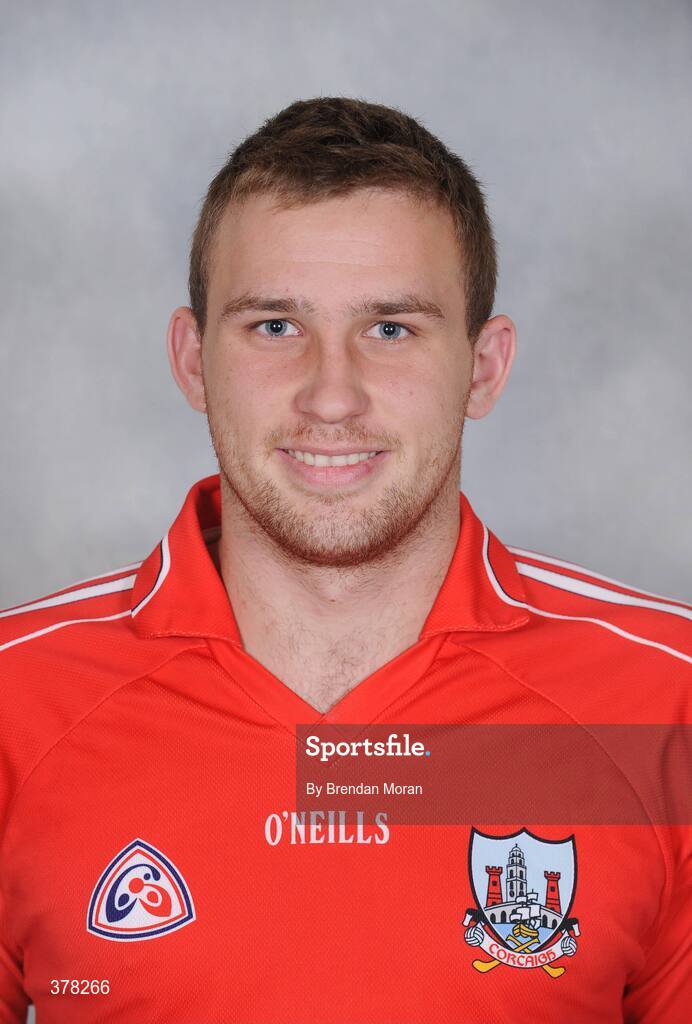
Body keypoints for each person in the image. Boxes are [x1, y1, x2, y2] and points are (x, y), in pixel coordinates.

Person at [0, 96, 689, 1024]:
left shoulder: (665, 705)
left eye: (391, 328)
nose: (333, 396)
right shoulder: (18, 702)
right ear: (193, 359)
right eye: (275, 327)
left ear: (484, 367)